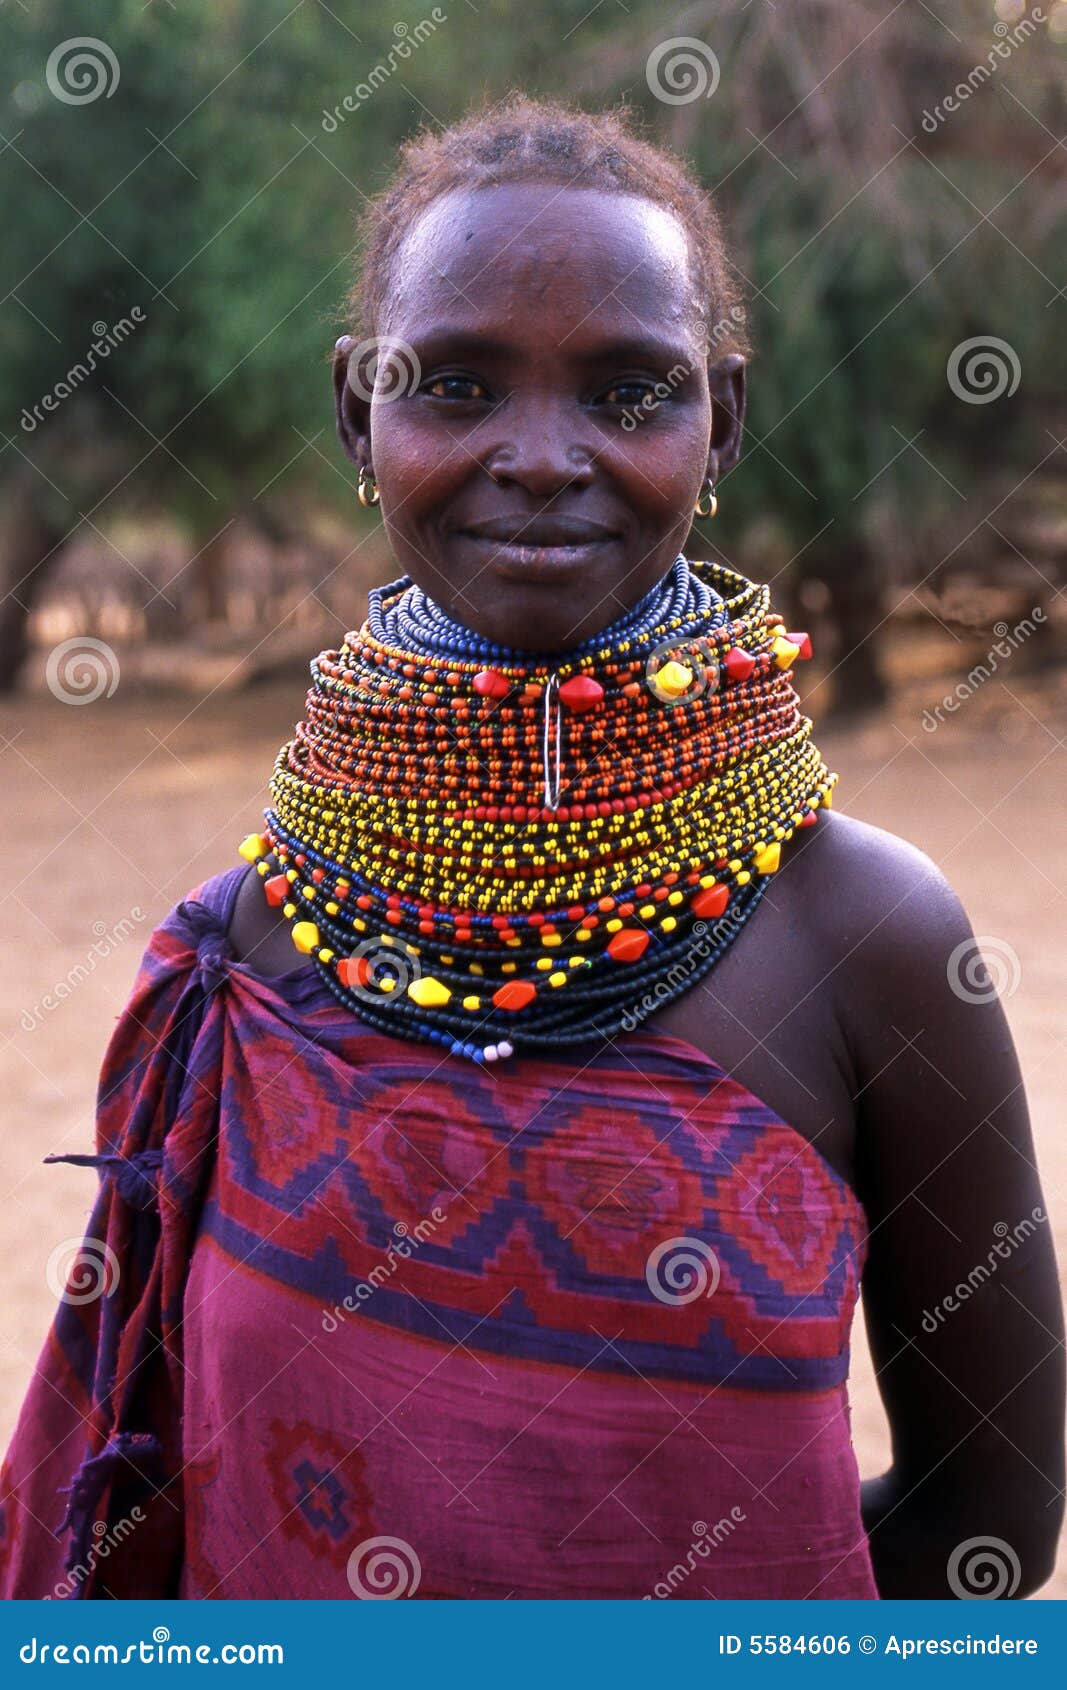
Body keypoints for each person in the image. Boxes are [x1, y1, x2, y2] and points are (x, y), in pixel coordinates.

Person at [2, 94, 1062, 1602]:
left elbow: (985, 1532)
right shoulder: (248, 942)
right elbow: (148, 1503)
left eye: (631, 393)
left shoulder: (869, 936)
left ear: (724, 421)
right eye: (457, 386)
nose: (545, 457)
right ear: (358, 413)